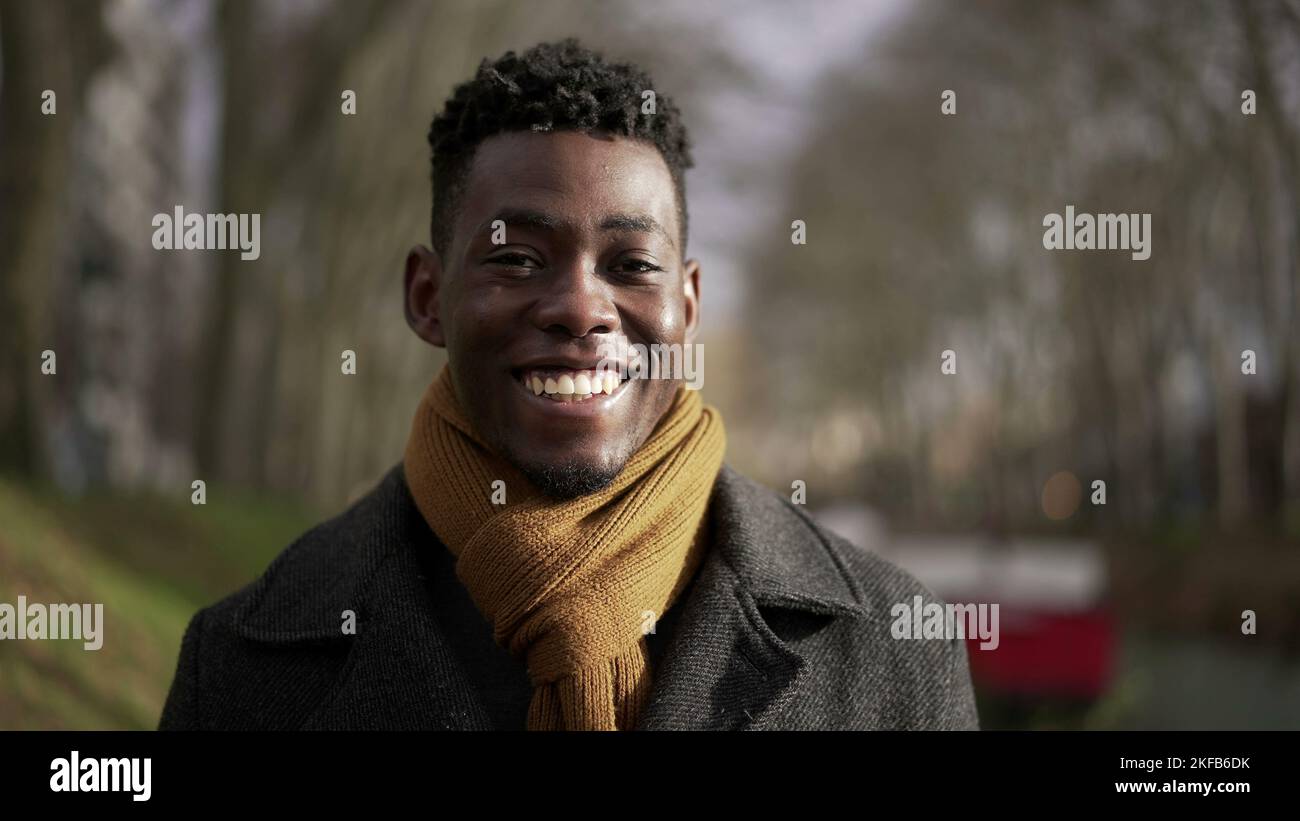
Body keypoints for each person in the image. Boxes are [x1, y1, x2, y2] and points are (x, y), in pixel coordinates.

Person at [159, 38, 979, 731]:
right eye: (516, 258)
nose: (582, 308)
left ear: (686, 306)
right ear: (426, 298)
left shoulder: (897, 653)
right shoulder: (241, 665)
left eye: (630, 266)